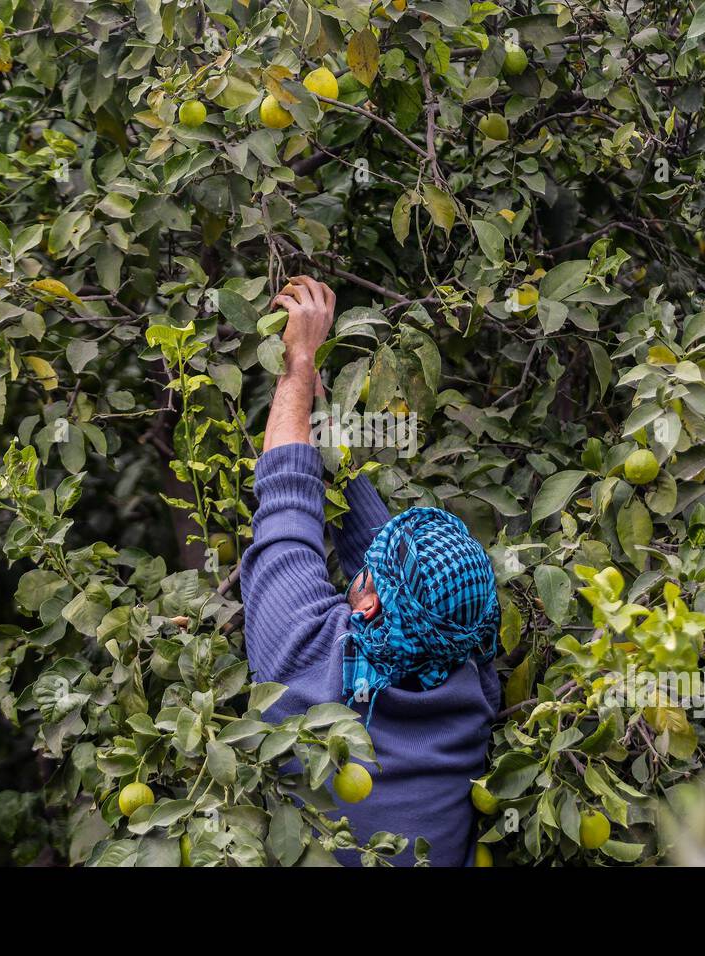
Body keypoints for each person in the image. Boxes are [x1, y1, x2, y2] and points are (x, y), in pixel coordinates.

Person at [241, 275, 502, 867]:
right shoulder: (473, 686)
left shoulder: (303, 660)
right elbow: (390, 577)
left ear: (367, 604)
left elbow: (285, 494)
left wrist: (298, 358)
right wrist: (320, 405)